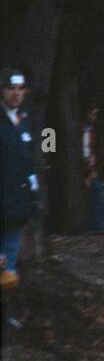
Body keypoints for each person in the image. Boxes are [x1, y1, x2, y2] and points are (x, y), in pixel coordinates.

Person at [0, 68, 40, 285]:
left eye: (20, 89)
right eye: (10, 88)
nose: (16, 93)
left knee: (8, 273)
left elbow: (30, 165)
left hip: (17, 208)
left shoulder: (24, 121)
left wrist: (34, 195)